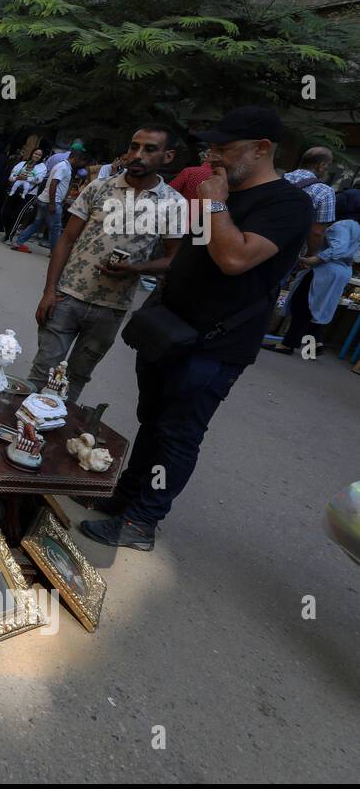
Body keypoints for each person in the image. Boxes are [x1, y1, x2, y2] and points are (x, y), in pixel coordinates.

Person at [81, 106, 313, 551]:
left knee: (178, 434)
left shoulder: (287, 204)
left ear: (261, 148)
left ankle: (141, 523)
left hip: (214, 345)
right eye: (212, 148)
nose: (213, 158)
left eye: (224, 148)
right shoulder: (222, 192)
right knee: (153, 422)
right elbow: (194, 252)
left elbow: (234, 258)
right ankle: (125, 498)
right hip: (170, 332)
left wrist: (215, 203)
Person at [28, 125, 187, 403]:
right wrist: (49, 290)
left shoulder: (174, 203)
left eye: (149, 149)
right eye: (134, 146)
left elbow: (175, 258)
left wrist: (136, 269)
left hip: (111, 309)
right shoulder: (99, 187)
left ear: (168, 156)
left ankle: (53, 426)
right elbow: (66, 239)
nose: (137, 154)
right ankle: (20, 425)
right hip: (67, 297)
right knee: (42, 373)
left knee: (74, 379)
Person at [267, 200, 360, 355]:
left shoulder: (342, 224)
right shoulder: (356, 226)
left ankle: (287, 344)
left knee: (302, 304)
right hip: (341, 270)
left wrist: (315, 259)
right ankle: (316, 342)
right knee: (317, 306)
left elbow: (338, 248)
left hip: (324, 270)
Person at [11, 151, 88, 252]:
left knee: (38, 223)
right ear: (76, 159)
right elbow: (53, 184)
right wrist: (52, 203)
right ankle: (55, 252)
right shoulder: (63, 167)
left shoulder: (64, 166)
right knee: (56, 227)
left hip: (47, 199)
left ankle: (19, 243)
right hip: (52, 201)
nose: (81, 164)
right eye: (80, 161)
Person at [282, 146, 335, 253]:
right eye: (328, 165)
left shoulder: (278, 178)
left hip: (260, 241)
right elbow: (317, 232)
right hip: (290, 249)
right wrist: (311, 255)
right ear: (321, 165)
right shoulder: (325, 191)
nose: (327, 170)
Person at [2, 148, 46, 239]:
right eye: (35, 153)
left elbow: (39, 180)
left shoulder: (42, 167)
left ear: (42, 157)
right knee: (5, 212)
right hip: (16, 190)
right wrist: (17, 178)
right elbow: (11, 176)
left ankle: (9, 236)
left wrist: (26, 178)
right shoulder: (22, 164)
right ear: (32, 153)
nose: (37, 156)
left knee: (18, 214)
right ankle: (8, 230)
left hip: (29, 194)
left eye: (39, 155)